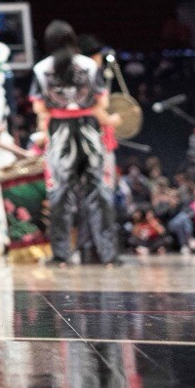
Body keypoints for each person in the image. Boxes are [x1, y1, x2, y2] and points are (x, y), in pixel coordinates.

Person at [31, 20, 119, 266]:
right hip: (89, 130)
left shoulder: (41, 69)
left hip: (59, 133)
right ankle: (108, 254)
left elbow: (39, 107)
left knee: (60, 195)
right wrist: (112, 119)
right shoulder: (89, 66)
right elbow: (100, 103)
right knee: (98, 193)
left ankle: (61, 254)